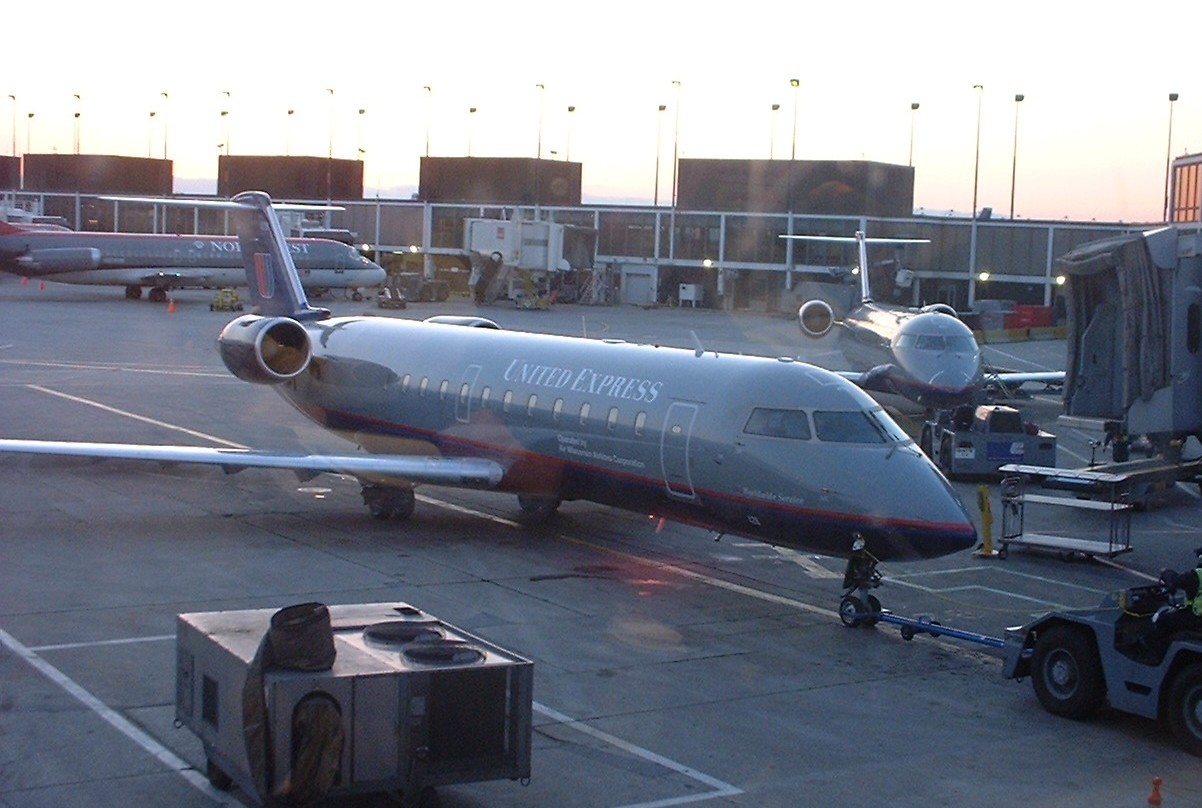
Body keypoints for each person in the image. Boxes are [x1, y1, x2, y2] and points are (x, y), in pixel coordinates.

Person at [1153, 547, 1202, 636]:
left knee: (1163, 620)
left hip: (1197, 618)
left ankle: (1150, 643)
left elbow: (1175, 581)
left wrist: (1166, 572)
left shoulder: (1196, 575)